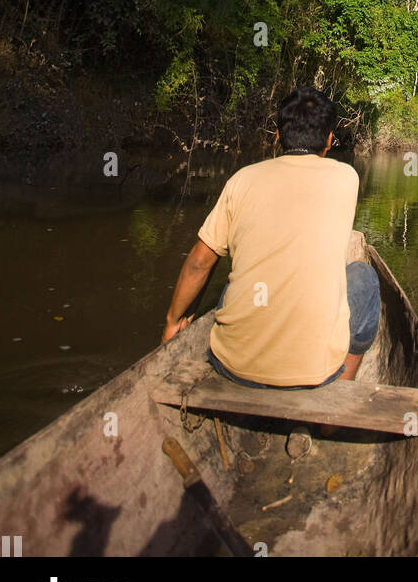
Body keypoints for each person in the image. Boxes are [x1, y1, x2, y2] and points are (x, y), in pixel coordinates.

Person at [161, 85, 381, 388]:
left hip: (231, 365)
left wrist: (173, 322)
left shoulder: (242, 179)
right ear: (330, 140)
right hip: (316, 372)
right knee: (365, 278)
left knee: (233, 282)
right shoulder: (347, 178)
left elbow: (200, 263)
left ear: (277, 135)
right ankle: (339, 390)